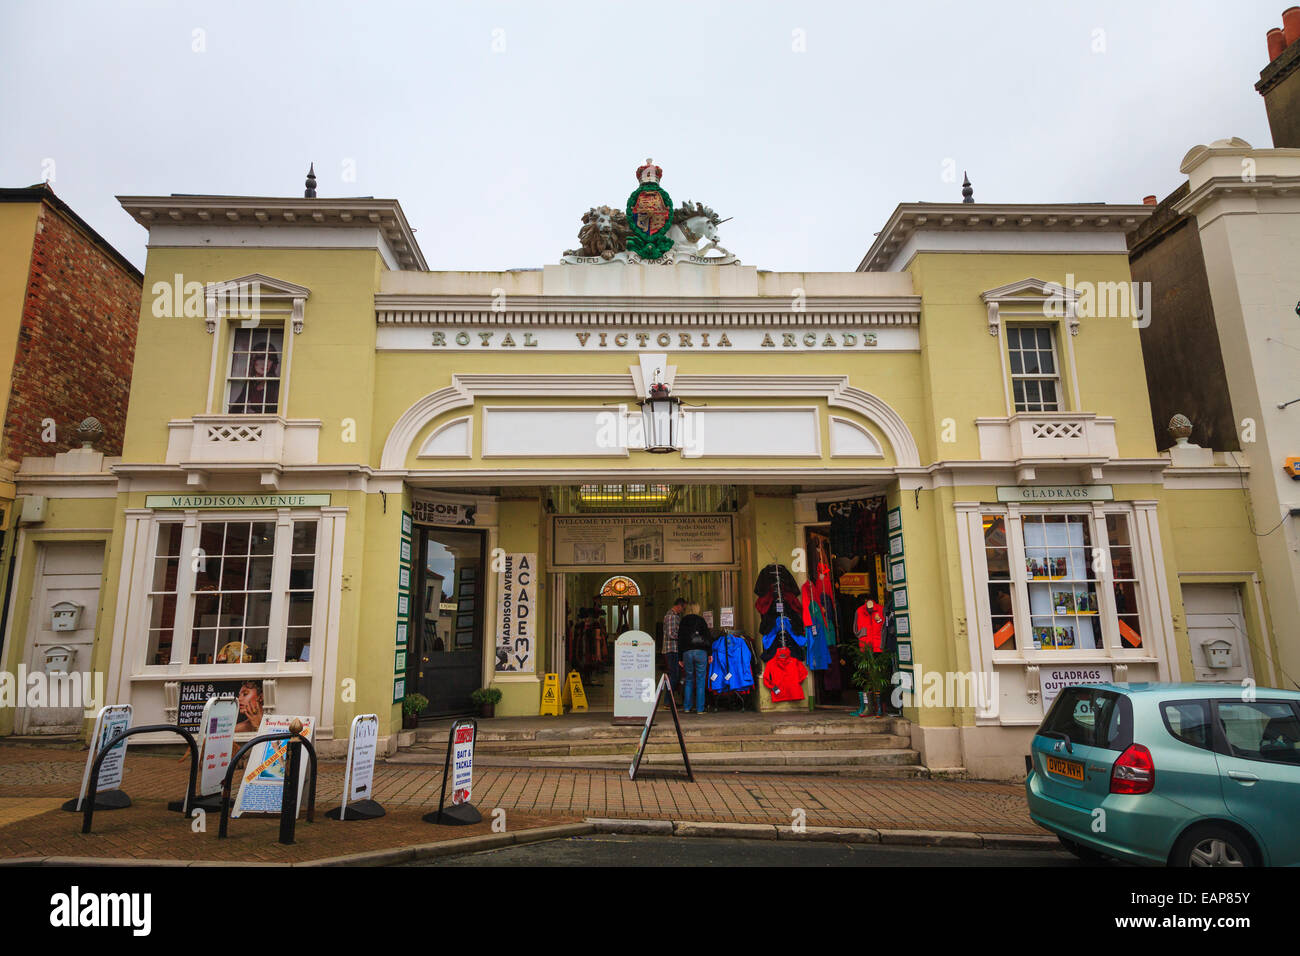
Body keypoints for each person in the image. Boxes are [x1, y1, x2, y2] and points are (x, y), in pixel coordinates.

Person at [678, 602, 712, 714]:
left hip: (687, 652)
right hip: (701, 652)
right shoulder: (701, 620)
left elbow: (680, 640)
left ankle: (687, 707)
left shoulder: (683, 621)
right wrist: (710, 653)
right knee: (701, 680)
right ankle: (700, 709)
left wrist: (680, 657)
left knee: (688, 680)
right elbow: (707, 637)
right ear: (697, 609)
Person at [662, 597, 684, 695]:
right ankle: (668, 701)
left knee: (675, 674)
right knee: (674, 675)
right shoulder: (672, 616)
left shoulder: (672, 616)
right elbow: (671, 634)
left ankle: (670, 700)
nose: (683, 611)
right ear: (679, 606)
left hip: (672, 649)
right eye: (683, 608)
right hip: (672, 649)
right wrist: (683, 637)